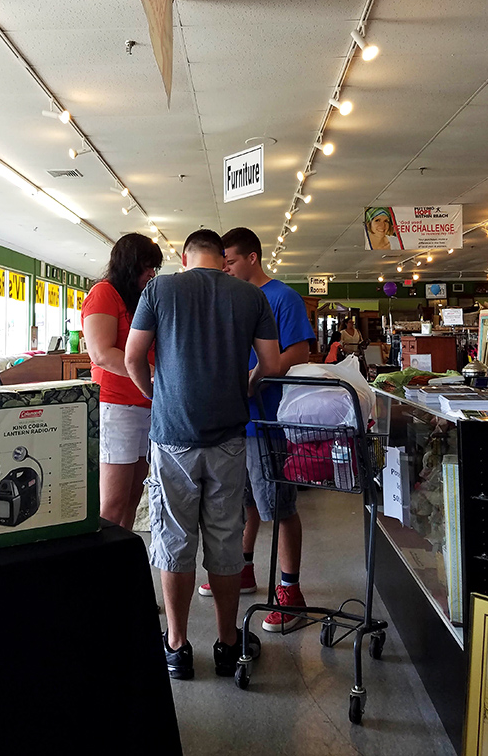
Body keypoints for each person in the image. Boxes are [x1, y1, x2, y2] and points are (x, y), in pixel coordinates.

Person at [124, 229, 280, 680]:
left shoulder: (160, 289)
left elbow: (133, 357)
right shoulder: (250, 296)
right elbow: (270, 365)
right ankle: (228, 644)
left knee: (174, 539)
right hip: (229, 438)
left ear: (183, 256)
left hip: (173, 436)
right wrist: (246, 386)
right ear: (223, 259)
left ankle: (176, 647)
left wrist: (156, 395)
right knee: (226, 539)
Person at [197, 227, 315, 633]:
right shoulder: (232, 298)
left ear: (252, 258)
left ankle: (291, 593)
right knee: (243, 502)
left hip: (268, 420)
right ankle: (243, 569)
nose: (224, 268)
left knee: (279, 507)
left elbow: (299, 351)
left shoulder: (283, 297)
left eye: (229, 260)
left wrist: (257, 375)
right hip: (234, 419)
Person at [81, 233, 162, 530]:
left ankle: (121, 554)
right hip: (116, 407)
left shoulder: (139, 298)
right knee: (113, 503)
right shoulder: (103, 293)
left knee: (132, 498)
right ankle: (103, 559)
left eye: (154, 267)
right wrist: (152, 372)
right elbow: (101, 354)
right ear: (130, 264)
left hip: (145, 405)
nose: (151, 273)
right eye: (146, 266)